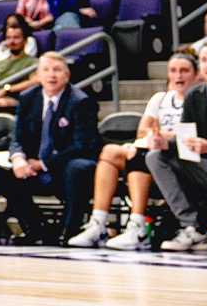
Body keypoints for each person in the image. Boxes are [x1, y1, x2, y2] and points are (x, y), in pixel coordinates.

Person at [70, 52, 196, 249]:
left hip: (180, 161)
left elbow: (192, 135)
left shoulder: (198, 100)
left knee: (142, 156)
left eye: (184, 71)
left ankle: (138, 227)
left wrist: (161, 136)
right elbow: (143, 130)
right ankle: (98, 225)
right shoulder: (160, 99)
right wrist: (152, 138)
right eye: (173, 71)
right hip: (152, 152)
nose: (178, 76)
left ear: (195, 74)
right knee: (110, 151)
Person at [0, 53, 101, 244]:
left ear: (67, 76)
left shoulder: (80, 101)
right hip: (35, 167)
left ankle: (69, 230)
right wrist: (18, 158)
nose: (51, 75)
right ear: (38, 76)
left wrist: (43, 164)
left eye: (57, 70)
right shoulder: (28, 97)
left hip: (66, 166)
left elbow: (81, 146)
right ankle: (35, 227)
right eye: (46, 70)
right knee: (0, 171)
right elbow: (17, 137)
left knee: (77, 167)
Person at [144, 44, 207, 251]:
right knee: (155, 156)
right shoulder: (195, 95)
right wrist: (165, 142)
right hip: (204, 167)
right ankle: (192, 227)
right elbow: (185, 137)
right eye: (205, 60)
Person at [0, 16, 41, 111]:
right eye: (9, 38)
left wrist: (7, 89)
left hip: (17, 100)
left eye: (16, 38)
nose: (12, 41)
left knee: (1, 102)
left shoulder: (33, 62)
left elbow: (35, 82)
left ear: (25, 41)